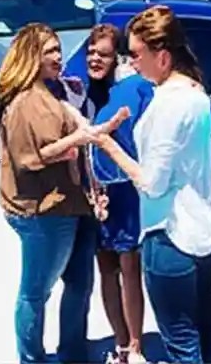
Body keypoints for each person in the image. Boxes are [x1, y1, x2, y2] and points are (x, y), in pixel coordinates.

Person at [91, 5, 211, 364]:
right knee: (210, 334)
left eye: (136, 55)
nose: (131, 63)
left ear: (162, 56)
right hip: (201, 232)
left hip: (169, 236)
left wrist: (107, 144)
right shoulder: (197, 94)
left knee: (182, 345)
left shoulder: (169, 104)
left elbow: (151, 182)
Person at [0, 22, 126, 364]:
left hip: (74, 204)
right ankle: (32, 358)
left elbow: (76, 138)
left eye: (58, 49)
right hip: (42, 211)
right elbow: (27, 159)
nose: (59, 56)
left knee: (81, 284)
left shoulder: (52, 92)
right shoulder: (24, 102)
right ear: (31, 57)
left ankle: (73, 353)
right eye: (50, 51)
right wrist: (77, 141)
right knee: (35, 293)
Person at [85, 23, 152, 364]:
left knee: (129, 268)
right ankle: (121, 345)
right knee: (105, 268)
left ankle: (137, 345)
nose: (95, 59)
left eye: (104, 54)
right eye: (91, 52)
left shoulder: (134, 88)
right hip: (94, 191)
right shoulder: (82, 91)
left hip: (125, 191)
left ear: (119, 58)